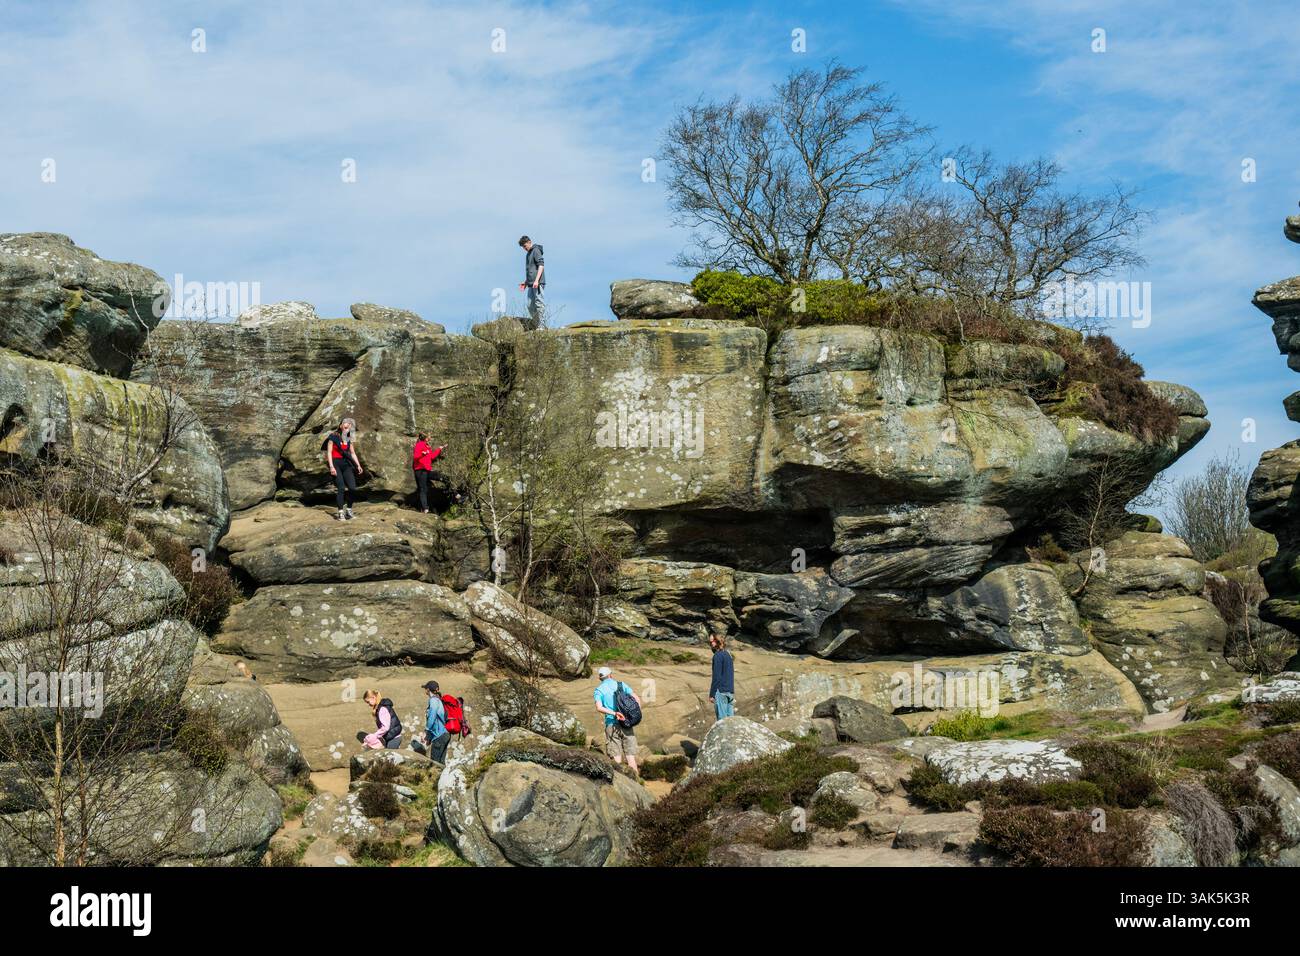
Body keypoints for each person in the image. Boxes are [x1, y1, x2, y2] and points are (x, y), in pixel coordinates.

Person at [593, 666, 640, 776]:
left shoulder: (599, 690)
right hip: (626, 723)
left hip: (611, 724)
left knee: (616, 758)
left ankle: (620, 783)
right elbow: (637, 699)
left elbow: (599, 708)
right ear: (611, 675)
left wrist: (614, 713)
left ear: (600, 678)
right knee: (631, 757)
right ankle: (637, 783)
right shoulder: (621, 685)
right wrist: (634, 715)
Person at [322, 417, 363, 520]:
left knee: (352, 488)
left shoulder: (349, 439)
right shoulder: (333, 437)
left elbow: (352, 453)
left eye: (349, 424)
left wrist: (358, 465)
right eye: (345, 423)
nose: (347, 425)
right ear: (340, 426)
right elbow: (329, 452)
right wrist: (331, 466)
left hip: (346, 464)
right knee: (341, 488)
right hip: (335, 463)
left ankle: (349, 510)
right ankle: (340, 513)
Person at [416, 680, 452, 763]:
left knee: (434, 763)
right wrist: (429, 737)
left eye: (425, 688)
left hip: (439, 736)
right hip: (445, 734)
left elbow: (432, 716)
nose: (425, 690)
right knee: (441, 763)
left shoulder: (433, 700)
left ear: (428, 690)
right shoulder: (438, 700)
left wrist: (426, 731)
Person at [517, 235, 545, 330]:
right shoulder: (528, 254)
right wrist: (525, 282)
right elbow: (531, 270)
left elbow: (541, 265)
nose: (524, 248)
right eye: (523, 247)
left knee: (538, 303)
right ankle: (538, 324)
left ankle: (542, 325)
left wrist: (537, 281)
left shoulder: (536, 250)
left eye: (525, 246)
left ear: (529, 242)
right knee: (530, 305)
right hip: (530, 284)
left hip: (538, 283)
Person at [411, 433, 444, 514]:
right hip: (420, 470)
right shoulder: (419, 445)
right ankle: (425, 509)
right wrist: (422, 454)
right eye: (429, 436)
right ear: (425, 438)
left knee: (441, 477)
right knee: (423, 489)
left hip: (426, 470)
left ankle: (456, 495)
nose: (430, 437)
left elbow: (432, 457)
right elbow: (415, 457)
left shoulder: (427, 446)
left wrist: (439, 449)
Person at [708, 633, 735, 720]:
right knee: (731, 722)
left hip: (721, 692)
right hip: (730, 691)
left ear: (718, 641)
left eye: (713, 641)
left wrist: (712, 694)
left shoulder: (717, 656)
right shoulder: (728, 654)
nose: (711, 643)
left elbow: (717, 677)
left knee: (722, 722)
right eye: (710, 641)